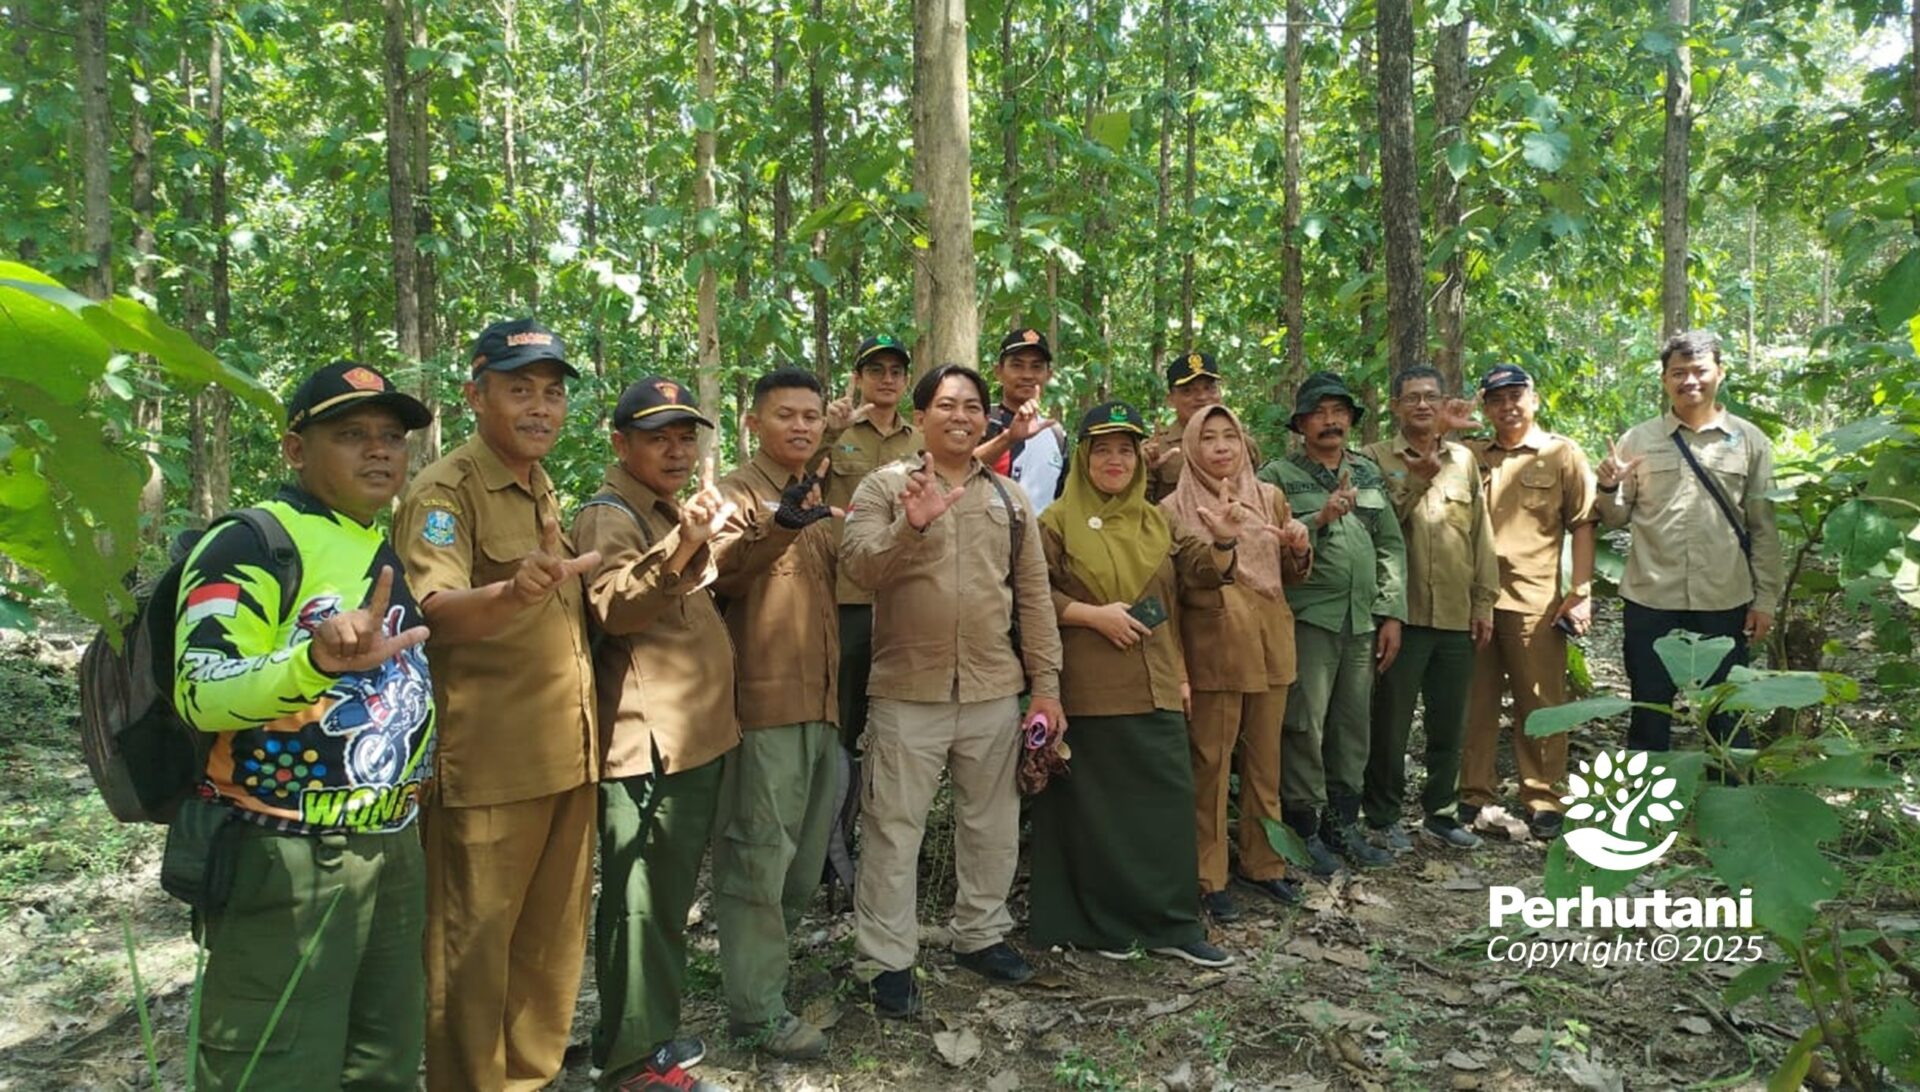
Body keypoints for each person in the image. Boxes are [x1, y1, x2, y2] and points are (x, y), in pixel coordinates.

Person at [172, 361, 435, 1091]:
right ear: (296, 449)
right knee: (276, 1067)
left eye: (391, 436)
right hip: (286, 853)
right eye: (351, 435)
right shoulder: (250, 541)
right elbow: (202, 689)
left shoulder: (372, 545)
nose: (379, 451)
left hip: (389, 846)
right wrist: (312, 662)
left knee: (382, 1058)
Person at [394, 319, 602, 1092]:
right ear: (476, 395)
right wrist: (508, 592)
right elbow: (434, 610)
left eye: (552, 393)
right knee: (471, 959)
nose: (540, 407)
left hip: (565, 755)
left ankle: (531, 1079)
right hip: (488, 768)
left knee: (548, 950)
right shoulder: (445, 491)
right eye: (520, 390)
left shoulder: (540, 482)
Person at [841, 364, 1066, 1019]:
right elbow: (858, 567)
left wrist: (1046, 688)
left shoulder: (1008, 500)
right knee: (892, 829)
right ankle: (886, 961)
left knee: (992, 824)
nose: (961, 416)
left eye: (972, 406)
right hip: (908, 691)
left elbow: (1034, 600)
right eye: (946, 405)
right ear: (920, 418)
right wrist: (912, 527)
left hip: (994, 688)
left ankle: (981, 933)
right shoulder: (884, 487)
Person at [571, 376, 742, 1092]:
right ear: (620, 444)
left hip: (689, 741)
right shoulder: (611, 516)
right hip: (648, 748)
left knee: (663, 903)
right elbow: (617, 607)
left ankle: (643, 1035)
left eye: (684, 437)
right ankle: (631, 1065)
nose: (675, 451)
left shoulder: (666, 508)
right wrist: (684, 542)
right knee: (639, 906)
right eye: (656, 437)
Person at [1031, 400, 1237, 966]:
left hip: (1158, 684)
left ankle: (1170, 924)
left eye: (1125, 450)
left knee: (1166, 808)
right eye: (1103, 450)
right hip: (1089, 689)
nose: (1115, 460)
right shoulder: (1053, 523)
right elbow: (1027, 596)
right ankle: (1098, 928)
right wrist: (1089, 615)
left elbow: (1202, 573)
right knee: (1094, 815)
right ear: (1082, 457)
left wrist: (1222, 541)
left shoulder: (1159, 520)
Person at [708, 368, 842, 1059]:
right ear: (753, 423)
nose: (800, 426)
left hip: (821, 708)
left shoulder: (820, 497)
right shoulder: (734, 494)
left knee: (800, 864)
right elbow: (724, 574)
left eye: (812, 416)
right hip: (762, 710)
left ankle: (770, 981)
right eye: (785, 414)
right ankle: (755, 1013)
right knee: (758, 858)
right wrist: (779, 526)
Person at [1595, 330, 1782, 753]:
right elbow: (1618, 516)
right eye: (1678, 372)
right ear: (1664, 380)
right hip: (1651, 600)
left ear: (1720, 373)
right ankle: (1645, 810)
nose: (1689, 381)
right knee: (1649, 710)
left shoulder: (1749, 440)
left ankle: (1733, 806)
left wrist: (1765, 600)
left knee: (1729, 714)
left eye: (1699, 370)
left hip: (1725, 599)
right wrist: (1607, 487)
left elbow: (1763, 527)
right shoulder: (1638, 440)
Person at [1163, 404, 1314, 920]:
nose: (1222, 447)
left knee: (1265, 763)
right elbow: (1172, 594)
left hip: (1271, 642)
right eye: (1209, 439)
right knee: (1210, 763)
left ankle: (1264, 862)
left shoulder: (1268, 497)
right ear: (1190, 447)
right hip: (1213, 647)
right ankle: (1209, 874)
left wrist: (1298, 547)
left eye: (1231, 436)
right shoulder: (1171, 508)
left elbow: (1289, 572)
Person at [1259, 372, 1406, 873]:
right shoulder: (1277, 476)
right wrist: (1318, 519)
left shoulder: (1366, 473)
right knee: (1304, 723)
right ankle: (1305, 828)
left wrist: (1391, 613)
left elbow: (1389, 544)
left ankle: (1343, 825)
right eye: (1319, 412)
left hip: (1362, 622)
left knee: (1352, 726)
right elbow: (1268, 548)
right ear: (1300, 423)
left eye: (1339, 412)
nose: (1330, 421)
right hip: (1308, 619)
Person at [1360, 366, 1498, 852]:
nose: (1422, 405)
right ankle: (1382, 814)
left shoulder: (1463, 460)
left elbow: (1481, 536)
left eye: (1431, 398)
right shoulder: (1374, 459)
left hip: (1456, 617)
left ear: (1443, 406)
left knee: (1449, 721)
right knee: (1390, 724)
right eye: (1412, 397)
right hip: (1403, 616)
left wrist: (1484, 603)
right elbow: (1373, 528)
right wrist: (1415, 482)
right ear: (1395, 406)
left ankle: (1441, 811)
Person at [1461, 364, 1598, 841]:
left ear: (1534, 399)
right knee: (1474, 702)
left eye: (1516, 395)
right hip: (1473, 600)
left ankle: (1543, 797)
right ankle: (1473, 793)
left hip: (1536, 600)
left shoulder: (1561, 454)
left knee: (1539, 702)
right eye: (1496, 399)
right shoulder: (1468, 454)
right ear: (1485, 407)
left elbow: (1583, 523)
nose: (1508, 406)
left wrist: (1580, 592)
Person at [818, 335, 922, 893]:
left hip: (907, 603)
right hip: (850, 598)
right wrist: (827, 433)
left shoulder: (923, 439)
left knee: (901, 733)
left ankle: (893, 855)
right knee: (842, 724)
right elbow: (795, 481)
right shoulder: (837, 434)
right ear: (858, 377)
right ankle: (830, 853)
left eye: (896, 371)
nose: (886, 379)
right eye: (875, 369)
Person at [1143, 350, 1261, 504]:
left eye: (1209, 388)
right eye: (1188, 391)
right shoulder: (1157, 448)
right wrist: (1143, 467)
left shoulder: (1242, 442)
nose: (1202, 397)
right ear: (1170, 399)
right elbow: (1139, 506)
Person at [976, 327, 1069, 514]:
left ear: (1048, 375)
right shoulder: (982, 420)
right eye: (1017, 365)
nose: (1027, 375)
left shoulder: (1056, 434)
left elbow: (1062, 497)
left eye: (1036, 367)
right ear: (999, 371)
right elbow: (956, 470)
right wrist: (1008, 438)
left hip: (1040, 540)